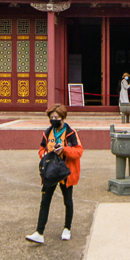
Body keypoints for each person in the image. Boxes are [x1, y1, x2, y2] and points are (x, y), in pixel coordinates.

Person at [26, 104, 83, 245]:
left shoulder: (71, 133)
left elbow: (79, 152)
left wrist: (64, 149)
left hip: (65, 172)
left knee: (67, 201)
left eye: (56, 117)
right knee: (45, 201)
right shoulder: (47, 132)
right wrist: (44, 154)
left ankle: (67, 228)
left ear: (63, 118)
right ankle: (39, 232)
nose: (53, 120)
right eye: (51, 118)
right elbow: (41, 149)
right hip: (50, 172)